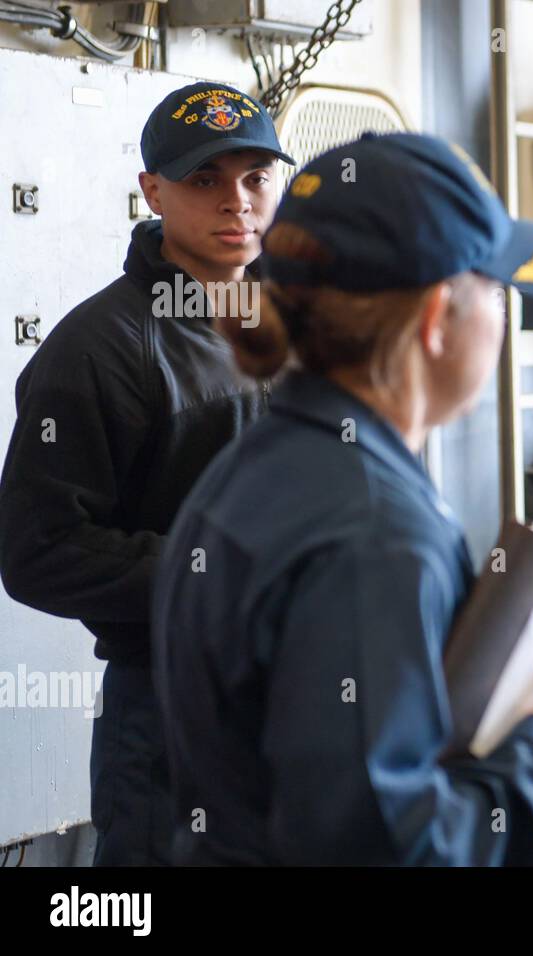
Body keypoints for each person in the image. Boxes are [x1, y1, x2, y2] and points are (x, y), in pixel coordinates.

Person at [151, 132, 533, 866]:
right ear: (438, 317)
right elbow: (388, 846)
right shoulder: (373, 530)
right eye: (499, 290)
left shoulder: (269, 463)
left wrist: (509, 677)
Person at [0, 81, 294, 865]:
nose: (238, 201)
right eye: (206, 180)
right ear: (152, 190)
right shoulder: (100, 350)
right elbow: (37, 551)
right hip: (172, 711)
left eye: (256, 176)